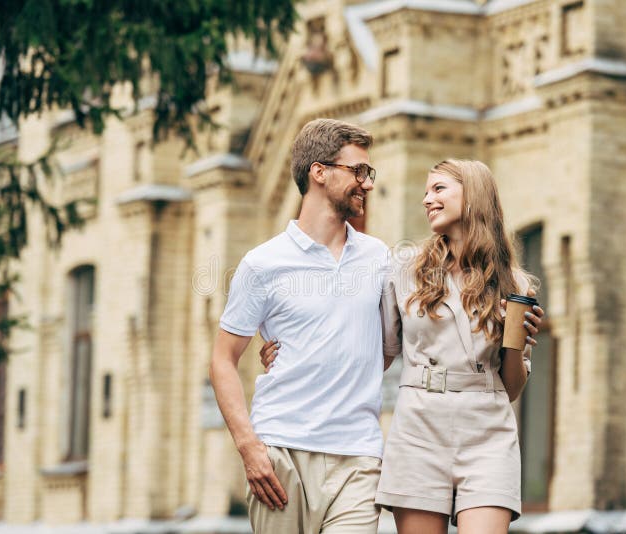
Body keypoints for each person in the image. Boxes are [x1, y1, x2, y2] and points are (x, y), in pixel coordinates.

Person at [260, 159, 544, 534]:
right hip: (419, 429)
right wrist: (291, 357)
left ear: (474, 195)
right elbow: (369, 350)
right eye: (426, 192)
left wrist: (515, 337)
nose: (427, 199)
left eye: (439, 189)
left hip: (488, 431)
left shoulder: (516, 285)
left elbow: (510, 387)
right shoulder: (405, 270)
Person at [209, 118, 389, 534]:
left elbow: (398, 339)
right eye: (357, 171)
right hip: (280, 456)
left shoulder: (379, 259)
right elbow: (222, 360)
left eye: (369, 172)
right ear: (319, 172)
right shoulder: (262, 264)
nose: (367, 183)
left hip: (357, 458)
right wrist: (249, 447)